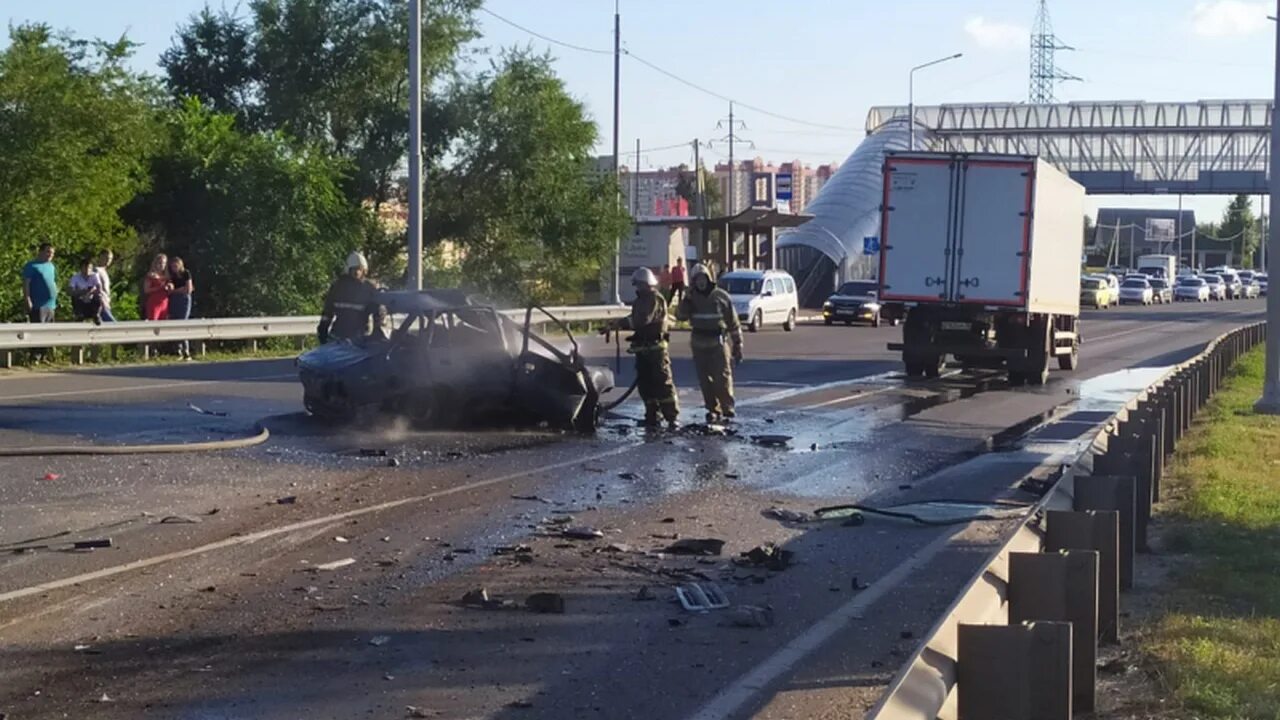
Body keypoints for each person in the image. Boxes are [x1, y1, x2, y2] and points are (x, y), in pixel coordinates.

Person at [610, 267, 679, 429]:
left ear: (648, 283)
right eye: (637, 285)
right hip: (642, 349)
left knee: (662, 384)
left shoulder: (654, 299)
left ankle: (671, 418)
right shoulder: (641, 300)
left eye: (641, 284)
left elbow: (643, 320)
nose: (639, 287)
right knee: (646, 385)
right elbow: (635, 317)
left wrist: (622, 324)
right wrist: (614, 324)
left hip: (656, 349)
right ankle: (652, 415)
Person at [676, 263, 743, 424]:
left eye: (703, 278)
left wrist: (738, 344)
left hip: (717, 344)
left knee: (722, 378)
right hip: (699, 345)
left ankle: (728, 408)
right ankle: (712, 408)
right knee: (705, 381)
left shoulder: (721, 296)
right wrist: (687, 299)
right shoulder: (691, 298)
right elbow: (680, 316)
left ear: (708, 278)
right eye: (697, 279)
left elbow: (733, 323)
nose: (700, 282)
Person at [318, 251, 386, 344]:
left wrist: (377, 332)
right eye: (354, 269)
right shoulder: (338, 287)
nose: (356, 272)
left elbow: (379, 312)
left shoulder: (370, 288)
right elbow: (327, 312)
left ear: (364, 270)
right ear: (348, 270)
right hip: (337, 336)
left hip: (360, 338)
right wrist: (323, 330)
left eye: (359, 269)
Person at [21, 242, 57, 363]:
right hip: (38, 304)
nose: (50, 255)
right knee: (38, 331)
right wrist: (27, 298)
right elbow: (26, 283)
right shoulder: (32, 266)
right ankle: (35, 357)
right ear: (41, 252)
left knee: (48, 332)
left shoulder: (51, 266)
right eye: (48, 252)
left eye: (52, 253)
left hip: (50, 304)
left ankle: (44, 356)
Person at [167, 256, 195, 359]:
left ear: (180, 265)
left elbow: (188, 289)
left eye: (176, 266)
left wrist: (175, 291)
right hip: (175, 300)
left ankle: (186, 350)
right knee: (175, 322)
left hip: (184, 300)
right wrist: (174, 289)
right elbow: (170, 287)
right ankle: (178, 350)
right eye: (172, 266)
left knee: (183, 322)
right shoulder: (173, 276)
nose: (174, 268)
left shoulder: (186, 273)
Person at [69, 257, 105, 324]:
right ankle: (79, 314)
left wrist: (91, 292)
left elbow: (99, 288)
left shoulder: (94, 275)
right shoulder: (75, 277)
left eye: (89, 268)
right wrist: (82, 292)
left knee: (99, 296)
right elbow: (71, 291)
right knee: (74, 297)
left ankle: (96, 315)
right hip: (81, 299)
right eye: (85, 267)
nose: (87, 270)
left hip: (92, 299)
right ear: (81, 268)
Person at [143, 254, 170, 321]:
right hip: (154, 303)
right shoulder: (151, 275)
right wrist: (160, 287)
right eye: (160, 263)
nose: (162, 265)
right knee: (153, 322)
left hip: (164, 303)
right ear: (156, 263)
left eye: (164, 263)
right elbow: (146, 290)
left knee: (163, 324)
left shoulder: (166, 276)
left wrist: (170, 287)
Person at [95, 249, 117, 322]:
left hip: (106, 302)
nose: (108, 260)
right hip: (101, 303)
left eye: (110, 258)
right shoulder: (97, 270)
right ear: (100, 257)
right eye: (106, 257)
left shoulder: (104, 271)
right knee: (114, 325)